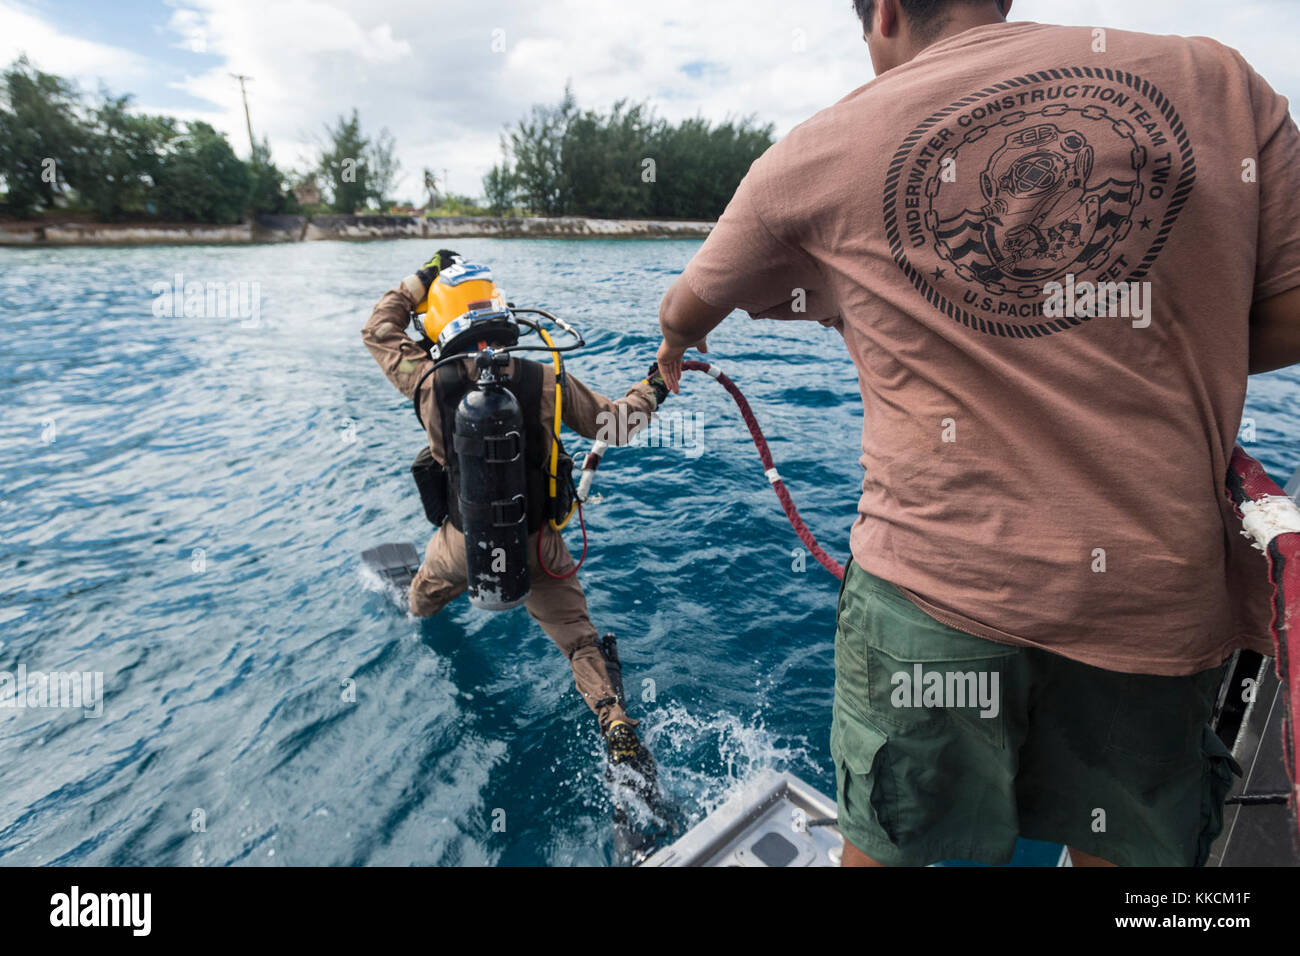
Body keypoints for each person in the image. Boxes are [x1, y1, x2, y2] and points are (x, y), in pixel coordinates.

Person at [654, 0, 1300, 867]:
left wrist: (670, 349)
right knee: (1127, 852)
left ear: (881, 13)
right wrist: (1136, 342)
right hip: (1156, 595)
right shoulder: (1217, 79)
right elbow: (1289, 312)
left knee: (888, 849)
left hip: (935, 591)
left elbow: (687, 306)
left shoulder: (818, 149)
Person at [364, 250, 671, 765]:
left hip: (462, 544)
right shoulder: (542, 377)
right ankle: (615, 720)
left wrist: (423, 276)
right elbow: (615, 426)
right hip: (537, 546)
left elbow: (378, 328)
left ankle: (417, 606)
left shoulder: (426, 381)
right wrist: (654, 387)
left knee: (421, 598)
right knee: (579, 644)